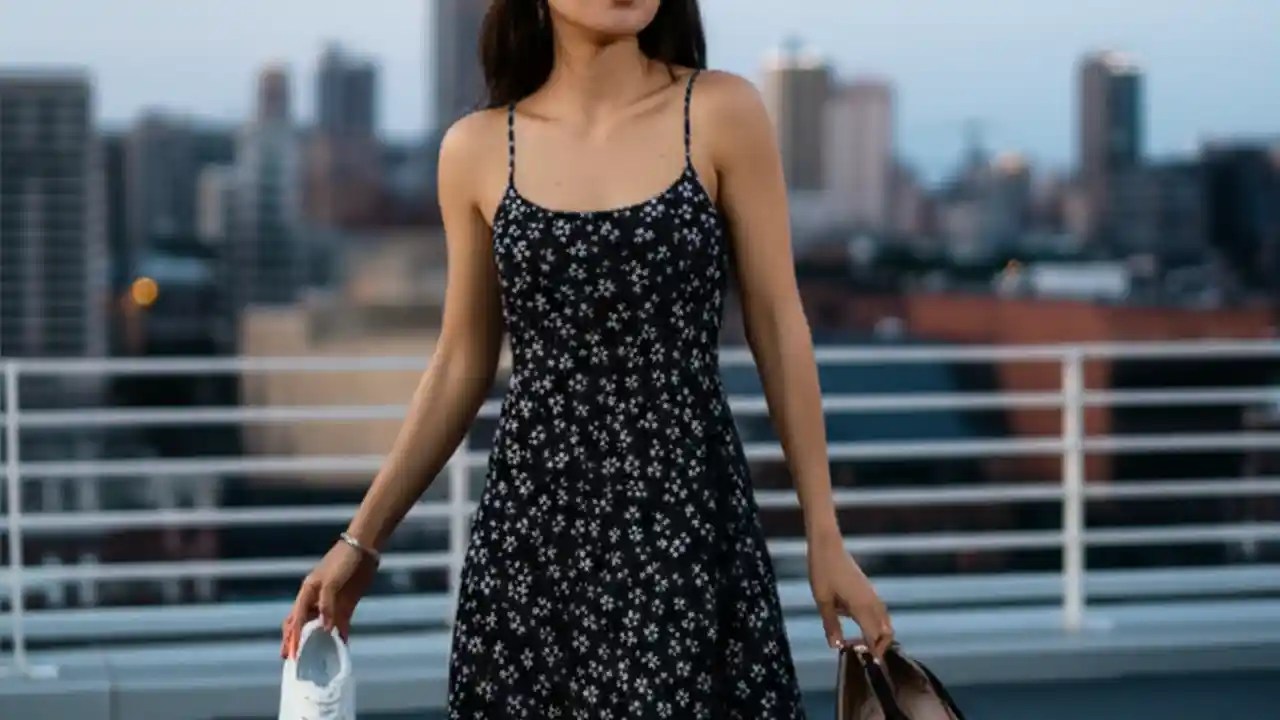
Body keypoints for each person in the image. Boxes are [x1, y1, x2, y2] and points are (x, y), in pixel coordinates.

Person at [281, 0, 893, 715]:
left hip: (688, 528)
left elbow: (779, 324)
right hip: (535, 545)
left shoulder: (722, 111)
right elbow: (460, 364)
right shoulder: (477, 149)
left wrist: (825, 535)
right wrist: (362, 541)